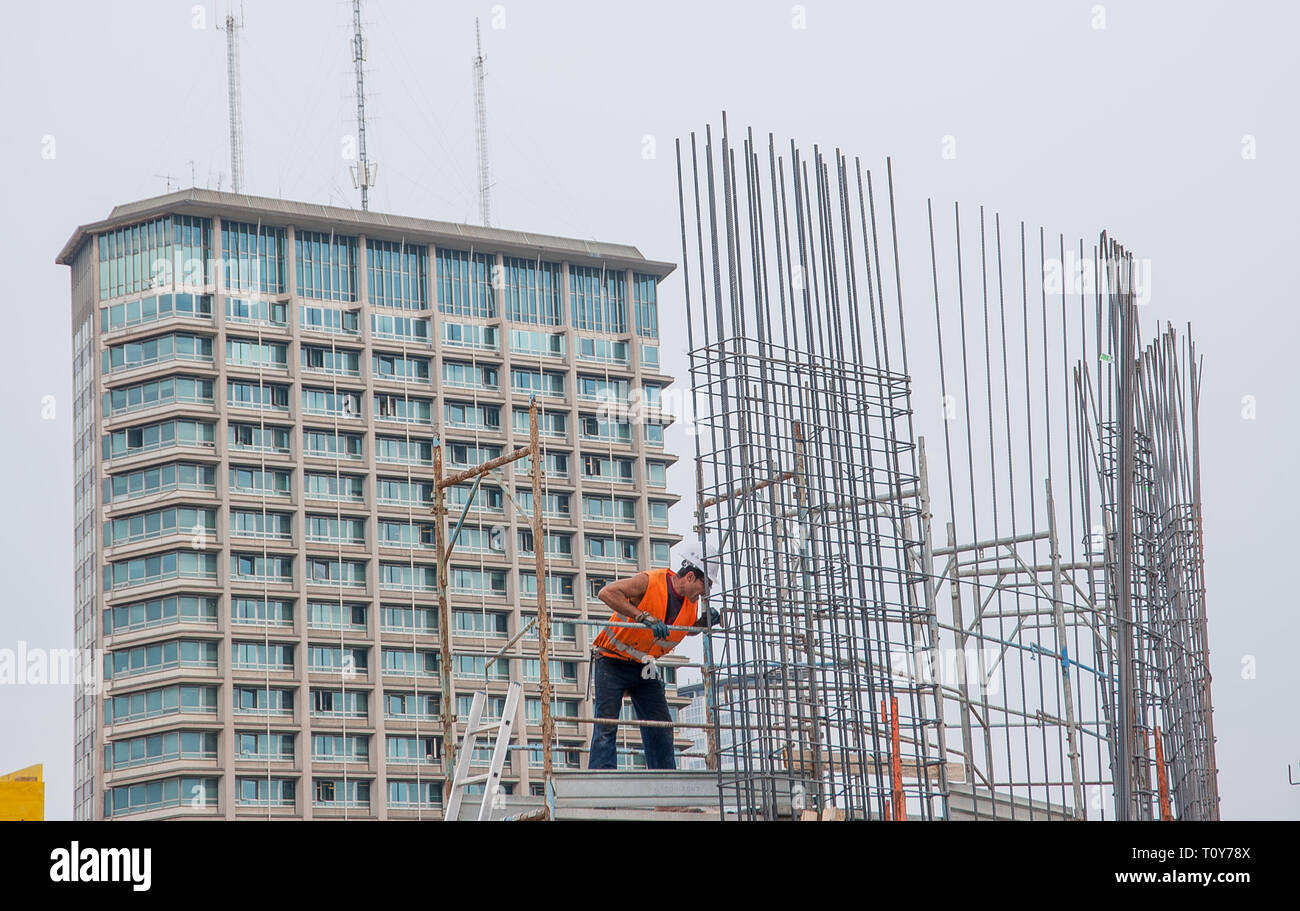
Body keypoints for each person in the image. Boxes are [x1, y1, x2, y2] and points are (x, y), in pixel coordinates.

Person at [587, 544, 722, 770]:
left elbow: (683, 628)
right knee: (606, 725)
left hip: (643, 666)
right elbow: (606, 593)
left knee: (660, 724)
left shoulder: (691, 603)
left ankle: (664, 795)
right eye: (704, 584)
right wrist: (642, 617)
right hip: (611, 659)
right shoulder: (650, 581)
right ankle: (603, 789)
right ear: (690, 576)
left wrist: (702, 623)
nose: (705, 592)